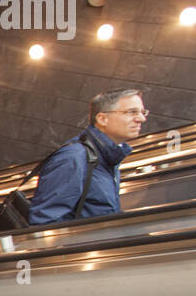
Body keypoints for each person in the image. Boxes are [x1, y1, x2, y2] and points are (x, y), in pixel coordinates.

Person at [30, 89, 143, 225]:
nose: (141, 119)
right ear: (102, 119)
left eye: (142, 112)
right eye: (131, 112)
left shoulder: (109, 155)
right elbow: (45, 222)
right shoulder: (74, 158)